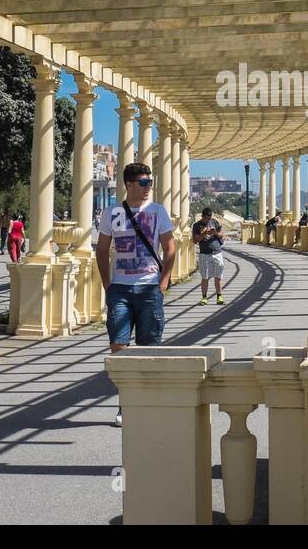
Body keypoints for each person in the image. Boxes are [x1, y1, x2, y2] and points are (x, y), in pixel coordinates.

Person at [95, 162, 176, 427]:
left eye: (149, 183)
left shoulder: (157, 211)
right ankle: (126, 404)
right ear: (128, 185)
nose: (147, 188)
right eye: (142, 183)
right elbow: (102, 249)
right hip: (120, 288)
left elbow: (170, 248)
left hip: (150, 288)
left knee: (150, 347)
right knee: (118, 346)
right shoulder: (112, 212)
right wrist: (108, 285)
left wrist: (163, 282)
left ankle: (149, 404)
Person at [192, 206, 226, 306]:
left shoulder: (214, 222)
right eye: (206, 218)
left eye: (210, 218)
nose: (208, 220)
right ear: (202, 216)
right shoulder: (196, 225)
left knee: (218, 276)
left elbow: (221, 234)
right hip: (204, 254)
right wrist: (204, 234)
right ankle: (204, 298)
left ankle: (219, 296)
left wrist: (214, 232)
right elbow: (195, 240)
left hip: (217, 252)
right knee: (205, 277)